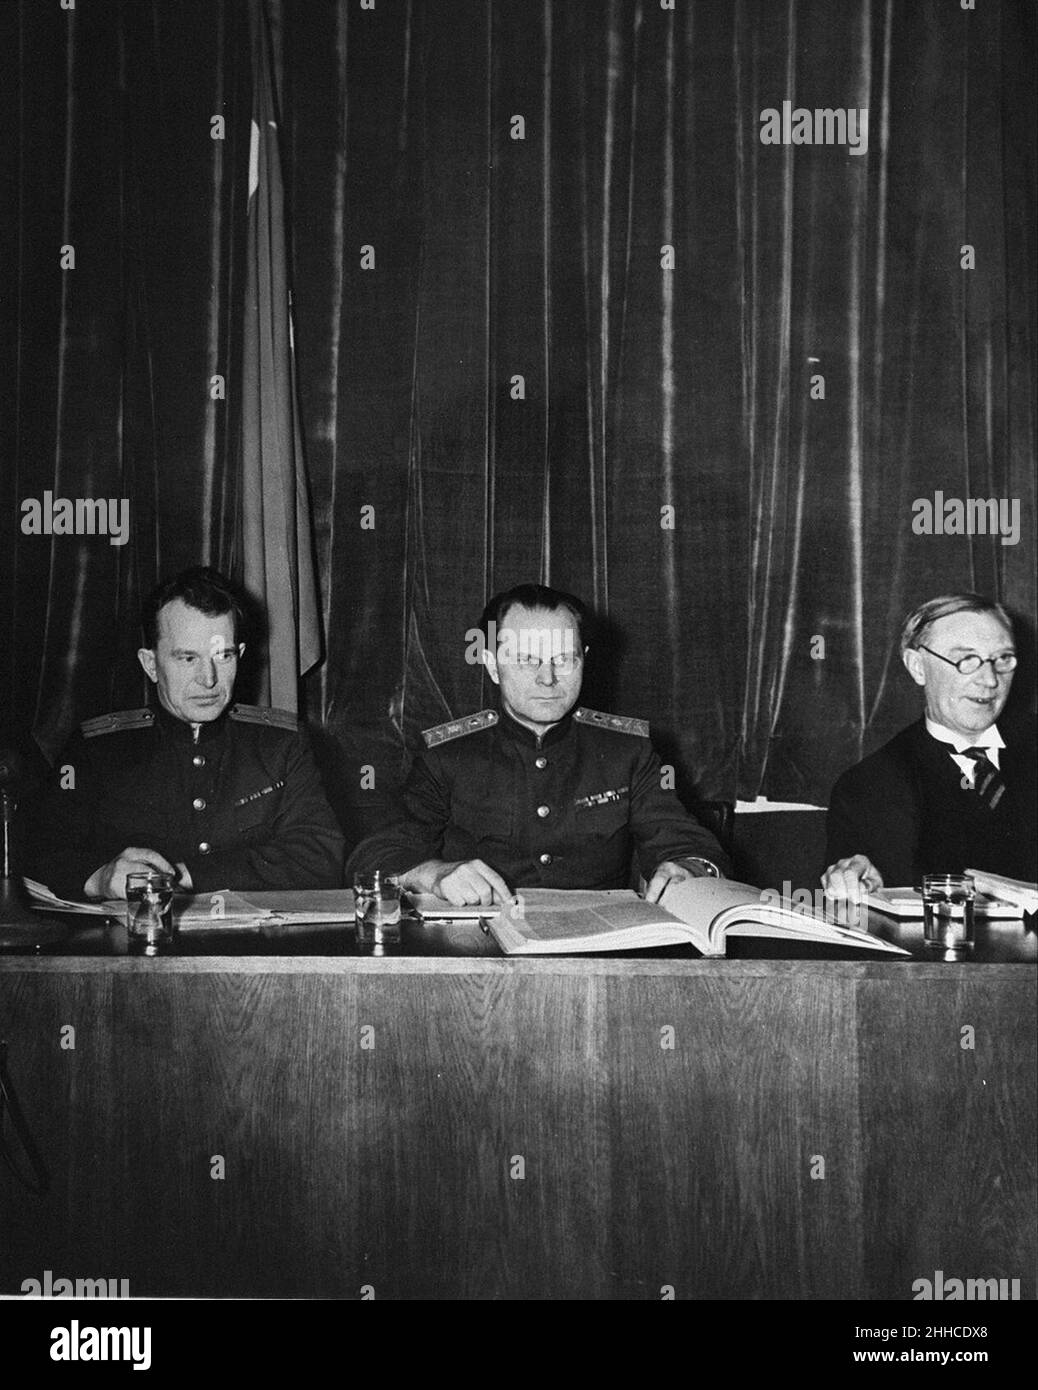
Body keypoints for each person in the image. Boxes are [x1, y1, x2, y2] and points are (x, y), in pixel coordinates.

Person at [346, 583, 729, 906]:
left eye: (564, 659)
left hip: (595, 948)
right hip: (482, 954)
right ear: (493, 665)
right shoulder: (447, 756)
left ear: (584, 661)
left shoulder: (626, 752)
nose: (547, 678)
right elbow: (375, 854)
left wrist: (688, 868)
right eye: (527, 659)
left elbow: (688, 844)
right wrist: (434, 874)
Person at [24, 567, 344, 899]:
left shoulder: (283, 745)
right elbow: (38, 849)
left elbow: (321, 855)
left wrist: (183, 876)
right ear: (150, 664)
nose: (208, 679)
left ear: (241, 656)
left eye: (223, 655)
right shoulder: (96, 749)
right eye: (187, 658)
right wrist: (100, 878)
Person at [822, 593, 1036, 901]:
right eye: (966, 660)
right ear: (917, 666)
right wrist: (860, 885)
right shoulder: (869, 787)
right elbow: (866, 907)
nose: (990, 680)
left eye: (1002, 659)